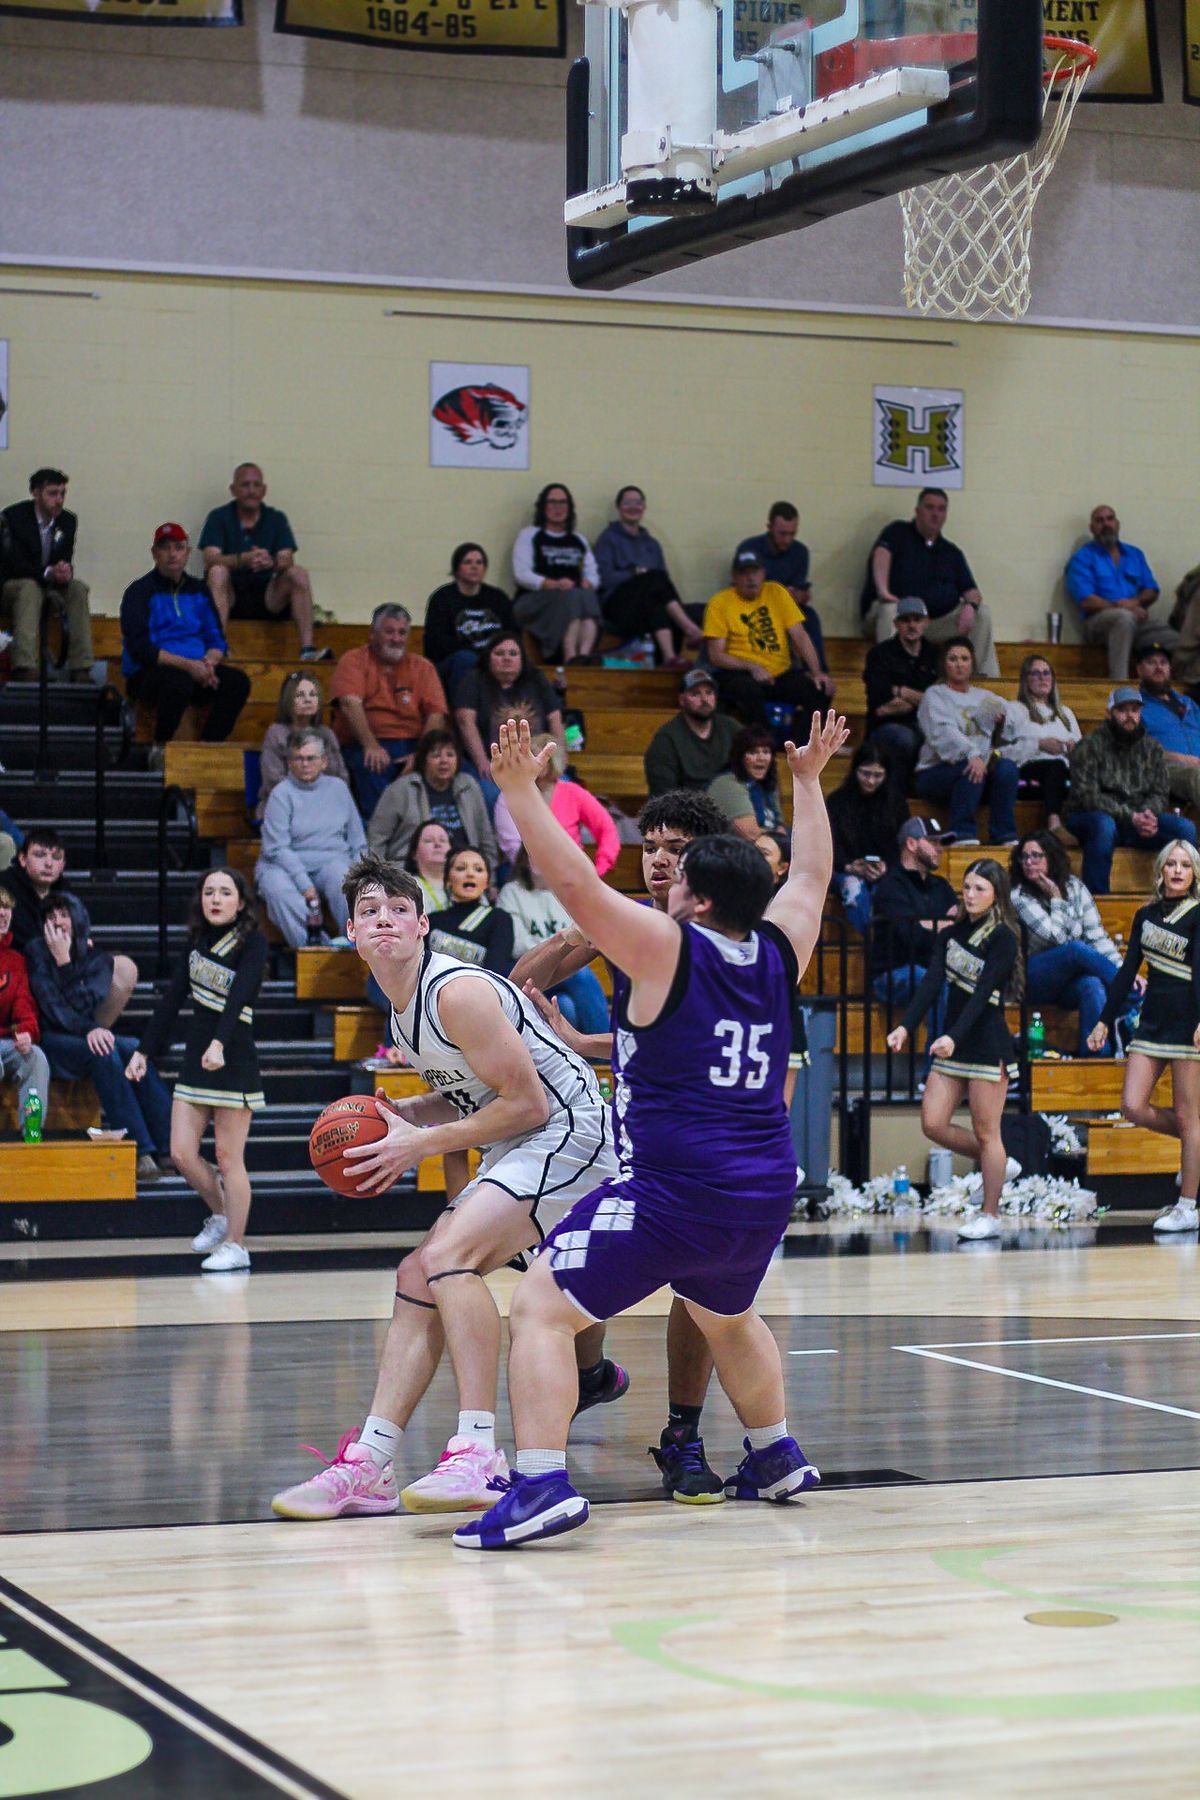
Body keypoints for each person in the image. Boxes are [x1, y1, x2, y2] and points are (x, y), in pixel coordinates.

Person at [452, 714, 844, 1550]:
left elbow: (575, 888)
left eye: (677, 872)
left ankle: (540, 1484)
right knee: (727, 1314)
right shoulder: (781, 950)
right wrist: (807, 783)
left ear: (699, 898)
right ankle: (774, 1454)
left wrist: (521, 791)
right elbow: (811, 872)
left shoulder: (671, 948)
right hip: (762, 1189)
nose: (661, 877)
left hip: (677, 1192)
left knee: (540, 1306)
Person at [270, 849, 619, 1521]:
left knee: (446, 1259)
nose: (385, 922)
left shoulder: (453, 992)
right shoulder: (401, 1015)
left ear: (424, 926)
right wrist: (410, 1116)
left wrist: (417, 1144)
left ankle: (478, 1454)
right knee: (415, 1272)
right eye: (369, 912)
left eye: (400, 910)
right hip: (521, 1139)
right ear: (351, 932)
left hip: (571, 1131)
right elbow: (476, 1097)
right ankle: (371, 1462)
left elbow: (528, 1104)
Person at [509, 786, 746, 1503]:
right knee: (567, 1261)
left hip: (708, 1137)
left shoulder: (729, 938)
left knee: (700, 1292)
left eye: (678, 849)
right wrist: (554, 967)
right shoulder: (629, 921)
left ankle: (684, 1433)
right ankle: (589, 1374)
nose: (660, 862)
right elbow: (520, 983)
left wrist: (585, 1041)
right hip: (631, 1131)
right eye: (654, 848)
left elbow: (693, 1041)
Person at [126, 868, 267, 1272]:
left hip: (233, 1055)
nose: (216, 899)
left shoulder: (253, 943)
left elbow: (239, 997)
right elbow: (171, 1001)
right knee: (182, 1154)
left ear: (241, 902)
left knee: (228, 1157)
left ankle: (237, 1246)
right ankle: (221, 1215)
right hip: (196, 1060)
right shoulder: (196, 943)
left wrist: (220, 1043)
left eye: (225, 892)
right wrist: (143, 1052)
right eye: (209, 892)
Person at [886, 860, 1022, 1242]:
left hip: (985, 1043)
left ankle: (989, 1215)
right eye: (967, 887)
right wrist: (904, 1026)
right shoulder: (950, 936)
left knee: (986, 1132)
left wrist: (953, 1037)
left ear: (997, 893)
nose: (971, 895)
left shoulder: (1004, 938)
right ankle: (1001, 1163)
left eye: (980, 888)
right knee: (932, 1122)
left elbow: (982, 996)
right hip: (954, 1041)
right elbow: (930, 983)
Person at [1089, 839, 1200, 1235]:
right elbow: (1127, 971)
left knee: (1189, 1116)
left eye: (1185, 865)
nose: (1176, 871)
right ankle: (1195, 1149)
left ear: (1194, 873)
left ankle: (1188, 1205)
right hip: (1152, 1021)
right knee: (1132, 1106)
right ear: (1161, 871)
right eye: (1171, 864)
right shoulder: (1145, 914)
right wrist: (1104, 1019)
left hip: (1189, 1022)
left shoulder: (1198, 914)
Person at [26, 899, 172, 1182]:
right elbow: (53, 1009)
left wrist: (66, 964)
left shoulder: (99, 961)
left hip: (81, 1034)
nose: (56, 922)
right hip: (48, 1039)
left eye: (64, 915)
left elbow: (83, 1006)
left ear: (78, 920)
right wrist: (62, 963)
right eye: (51, 916)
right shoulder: (35, 952)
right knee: (102, 1052)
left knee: (133, 1049)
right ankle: (140, 1151)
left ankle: (169, 1148)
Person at [119, 523, 251, 766]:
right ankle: (160, 747)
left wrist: (208, 663)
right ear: (154, 553)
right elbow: (140, 648)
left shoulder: (199, 590)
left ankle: (209, 747)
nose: (172, 554)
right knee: (177, 681)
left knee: (237, 682)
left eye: (178, 548)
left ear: (187, 553)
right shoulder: (139, 592)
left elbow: (216, 638)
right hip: (149, 673)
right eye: (165, 548)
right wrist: (189, 666)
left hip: (197, 669)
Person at [1065, 687, 1198, 895]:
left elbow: (1160, 792)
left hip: (1138, 821)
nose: (1130, 716)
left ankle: (1187, 897)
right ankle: (1097, 899)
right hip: (1090, 817)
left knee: (1185, 829)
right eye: (1122, 710)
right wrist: (1131, 816)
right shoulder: (1089, 745)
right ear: (1109, 714)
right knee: (1103, 826)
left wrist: (1148, 815)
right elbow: (1087, 796)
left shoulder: (1152, 748)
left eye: (1135, 710)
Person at [1009, 833, 1128, 1057]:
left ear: (1052, 858)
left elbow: (1097, 936)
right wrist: (1056, 898)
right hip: (1030, 979)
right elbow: (1057, 938)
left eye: (1036, 856)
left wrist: (1122, 969)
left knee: (1092, 985)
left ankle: (1095, 1060)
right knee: (1075, 950)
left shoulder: (1074, 887)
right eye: (1023, 857)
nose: (1029, 862)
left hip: (1066, 983)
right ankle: (1130, 997)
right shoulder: (1018, 896)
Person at [862, 488, 999, 677]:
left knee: (983, 614)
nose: (935, 514)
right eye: (930, 508)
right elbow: (881, 555)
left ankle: (984, 681)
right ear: (917, 511)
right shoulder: (897, 532)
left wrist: (971, 606)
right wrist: (884, 591)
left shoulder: (952, 552)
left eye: (941, 509)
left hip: (935, 623)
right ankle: (890, 676)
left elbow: (972, 591)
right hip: (898, 617)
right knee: (889, 609)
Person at [330, 604, 448, 821]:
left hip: (415, 745)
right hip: (367, 744)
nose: (396, 638)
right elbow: (349, 704)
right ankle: (381, 843)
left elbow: (436, 714)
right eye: (389, 631)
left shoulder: (422, 667)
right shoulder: (354, 660)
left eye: (402, 632)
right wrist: (370, 745)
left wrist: (422, 755)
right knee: (371, 766)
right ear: (372, 634)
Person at [6, 830, 137, 1027]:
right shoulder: (6, 886)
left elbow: (80, 936)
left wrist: (74, 949)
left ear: (63, 864)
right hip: (23, 975)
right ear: (23, 859)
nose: (49, 863)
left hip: (62, 967)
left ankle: (93, 1035)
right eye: (40, 855)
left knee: (124, 969)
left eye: (56, 857)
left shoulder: (66, 892)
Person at [198, 462, 327, 662]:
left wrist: (271, 563)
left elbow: (286, 558)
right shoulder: (219, 517)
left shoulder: (276, 518)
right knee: (216, 572)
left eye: (256, 485)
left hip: (269, 596)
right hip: (230, 595)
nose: (251, 490)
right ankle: (218, 646)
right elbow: (210, 559)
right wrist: (243, 559)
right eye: (245, 485)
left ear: (264, 490)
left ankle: (307, 649)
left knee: (298, 573)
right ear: (233, 490)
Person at [702, 549, 832, 740]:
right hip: (739, 672)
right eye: (744, 573)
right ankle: (764, 743)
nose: (750, 578)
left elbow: (800, 635)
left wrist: (817, 672)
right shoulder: (719, 603)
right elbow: (716, 655)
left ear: (763, 573)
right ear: (734, 577)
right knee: (748, 690)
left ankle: (798, 748)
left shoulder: (776, 592)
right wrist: (752, 666)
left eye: (754, 572)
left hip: (780, 673)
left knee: (820, 690)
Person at [255, 730, 367, 948]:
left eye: (311, 758)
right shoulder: (281, 793)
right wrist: (304, 884)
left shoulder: (339, 789)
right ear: (289, 762)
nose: (305, 764)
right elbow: (276, 849)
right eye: (298, 758)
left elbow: (357, 840)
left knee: (348, 882)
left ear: (324, 762)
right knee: (277, 890)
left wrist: (365, 875)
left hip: (332, 859)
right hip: (283, 865)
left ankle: (359, 946)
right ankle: (320, 951)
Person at [915, 638, 1019, 846]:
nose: (959, 664)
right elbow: (942, 734)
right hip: (937, 771)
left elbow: (1013, 726)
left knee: (1007, 769)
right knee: (970, 768)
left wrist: (1003, 721)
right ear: (944, 664)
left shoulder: (986, 696)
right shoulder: (934, 695)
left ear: (972, 664)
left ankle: (1004, 834)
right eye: (953, 659)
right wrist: (973, 754)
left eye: (964, 659)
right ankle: (962, 832)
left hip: (979, 768)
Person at [497, 849, 610, 1034]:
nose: (540, 858)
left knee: (566, 1007)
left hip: (563, 974)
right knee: (581, 975)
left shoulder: (569, 894)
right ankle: (608, 1051)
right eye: (533, 852)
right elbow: (516, 944)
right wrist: (555, 949)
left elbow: (580, 941)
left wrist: (561, 948)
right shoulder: (511, 892)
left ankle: (590, 1057)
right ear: (524, 859)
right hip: (527, 969)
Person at [0, 467, 94, 683]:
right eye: (52, 493)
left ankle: (81, 667)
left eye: (62, 494)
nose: (59, 500)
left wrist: (64, 570)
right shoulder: (13, 518)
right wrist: (47, 572)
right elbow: (12, 564)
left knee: (78, 588)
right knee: (29, 587)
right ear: (35, 493)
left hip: (47, 587)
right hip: (14, 587)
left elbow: (64, 555)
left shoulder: (67, 521)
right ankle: (25, 666)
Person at [594, 485, 702, 666]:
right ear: (619, 508)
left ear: (644, 507)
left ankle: (669, 658)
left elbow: (664, 583)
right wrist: (635, 573)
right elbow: (604, 579)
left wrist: (647, 578)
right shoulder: (608, 538)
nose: (633, 507)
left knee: (658, 600)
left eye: (637, 503)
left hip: (647, 604)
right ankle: (691, 629)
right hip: (618, 605)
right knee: (654, 579)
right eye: (627, 503)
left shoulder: (652, 544)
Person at [868, 817, 958, 1030]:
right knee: (936, 982)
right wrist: (943, 925)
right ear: (911, 844)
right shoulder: (891, 887)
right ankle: (936, 1062)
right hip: (893, 974)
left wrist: (929, 926)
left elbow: (958, 930)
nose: (940, 849)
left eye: (940, 843)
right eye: (933, 842)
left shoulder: (942, 886)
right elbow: (912, 939)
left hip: (930, 969)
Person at [367, 728, 498, 871]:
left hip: (465, 873)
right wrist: (380, 879)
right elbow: (377, 838)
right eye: (436, 755)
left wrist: (489, 879)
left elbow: (486, 838)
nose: (444, 761)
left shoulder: (469, 786)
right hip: (411, 876)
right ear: (423, 760)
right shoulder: (400, 790)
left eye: (450, 755)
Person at [454, 632, 564, 799]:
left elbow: (555, 719)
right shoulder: (474, 679)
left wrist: (558, 760)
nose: (507, 658)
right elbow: (464, 720)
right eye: (499, 653)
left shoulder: (537, 679)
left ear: (522, 659)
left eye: (513, 653)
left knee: (563, 789)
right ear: (488, 658)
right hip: (494, 765)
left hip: (537, 764)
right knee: (491, 794)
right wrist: (481, 761)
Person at [1065, 504, 1170, 679]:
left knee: (1174, 639)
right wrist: (1123, 607)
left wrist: (1135, 602)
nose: (1106, 524)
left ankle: (1180, 692)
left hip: (1137, 619)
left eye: (1110, 519)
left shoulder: (1135, 554)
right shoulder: (1082, 558)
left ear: (1117, 523)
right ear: (1092, 528)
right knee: (1124, 618)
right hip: (1098, 623)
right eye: (1099, 520)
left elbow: (1152, 590)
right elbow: (1086, 600)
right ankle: (1119, 686)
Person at [494, 735, 619, 878]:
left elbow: (606, 828)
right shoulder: (509, 795)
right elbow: (512, 845)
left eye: (540, 757)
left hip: (572, 878)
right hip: (525, 878)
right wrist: (544, 871)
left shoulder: (572, 792)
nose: (534, 762)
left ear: (553, 762)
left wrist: (599, 869)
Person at [511, 483, 602, 664]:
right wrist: (551, 583)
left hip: (573, 596)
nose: (557, 508)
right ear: (543, 507)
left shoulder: (578, 539)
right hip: (535, 599)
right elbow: (521, 573)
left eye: (562, 503)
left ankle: (583, 655)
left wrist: (589, 582)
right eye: (552, 502)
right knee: (573, 597)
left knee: (586, 595)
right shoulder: (530, 535)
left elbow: (593, 574)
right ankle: (568, 655)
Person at [826, 740, 910, 934]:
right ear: (855, 770)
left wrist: (885, 866)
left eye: (878, 775)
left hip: (884, 869)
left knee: (888, 889)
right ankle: (874, 943)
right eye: (865, 773)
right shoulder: (837, 801)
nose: (871, 781)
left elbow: (900, 845)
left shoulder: (896, 803)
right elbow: (829, 844)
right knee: (853, 887)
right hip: (842, 869)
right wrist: (849, 866)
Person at [736, 500, 826, 670]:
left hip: (784, 608)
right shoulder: (749, 548)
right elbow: (742, 587)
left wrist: (800, 595)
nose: (787, 539)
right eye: (782, 533)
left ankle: (817, 671)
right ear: (769, 527)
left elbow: (798, 588)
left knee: (810, 616)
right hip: (752, 607)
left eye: (792, 534)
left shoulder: (800, 552)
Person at [422, 544, 516, 702]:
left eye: (479, 563)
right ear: (456, 568)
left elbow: (513, 634)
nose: (474, 567)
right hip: (451, 666)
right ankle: (463, 714)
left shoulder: (498, 598)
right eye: (468, 562)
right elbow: (436, 643)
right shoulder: (442, 598)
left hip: (492, 661)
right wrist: (480, 656)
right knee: (466, 659)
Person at [1002, 654, 1081, 838]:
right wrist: (1039, 745)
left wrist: (1072, 749)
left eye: (1047, 673)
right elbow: (1002, 751)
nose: (1042, 678)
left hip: (1064, 770)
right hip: (1028, 768)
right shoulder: (1014, 709)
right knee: (1055, 766)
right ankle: (1053, 822)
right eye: (1035, 673)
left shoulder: (1065, 712)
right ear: (1025, 679)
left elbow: (1080, 749)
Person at [861, 595, 939, 781]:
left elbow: (939, 699)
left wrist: (899, 691)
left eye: (917, 620)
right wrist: (922, 700)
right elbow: (880, 707)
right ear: (896, 624)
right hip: (887, 726)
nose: (912, 625)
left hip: (928, 725)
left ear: (926, 623)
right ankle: (896, 799)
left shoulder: (935, 654)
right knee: (904, 739)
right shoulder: (880, 654)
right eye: (905, 620)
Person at [257, 673, 349, 817]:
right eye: (300, 695)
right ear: (288, 700)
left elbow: (341, 776)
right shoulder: (276, 733)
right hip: (286, 807)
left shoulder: (327, 734)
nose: (308, 699)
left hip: (326, 806)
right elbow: (273, 781)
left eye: (313, 694)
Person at [0, 884, 50, 1139]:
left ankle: (31, 1133)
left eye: (6, 908)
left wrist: (27, 1032)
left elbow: (24, 1006)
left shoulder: (16, 961)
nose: (3, 914)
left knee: (35, 1058)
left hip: (5, 1043)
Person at [643, 668, 739, 797]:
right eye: (695, 694)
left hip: (729, 804)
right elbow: (664, 796)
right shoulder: (666, 739)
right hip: (687, 810)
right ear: (682, 700)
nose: (705, 699)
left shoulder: (731, 728)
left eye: (709, 693)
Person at [1134, 641, 1200, 815]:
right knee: (1196, 776)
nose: (1159, 667)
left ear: (1170, 669)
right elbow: (1137, 750)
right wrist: (1182, 758)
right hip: (1164, 769)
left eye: (1163, 663)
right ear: (1139, 670)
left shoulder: (1188, 703)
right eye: (1151, 663)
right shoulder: (1135, 706)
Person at [427, 846, 514, 973]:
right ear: (448, 880)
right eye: (461, 868)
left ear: (487, 882)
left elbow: (495, 971)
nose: (470, 874)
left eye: (478, 869)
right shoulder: (431, 920)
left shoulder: (499, 919)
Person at [706, 726, 785, 842]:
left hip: (770, 843)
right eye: (753, 752)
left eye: (766, 752)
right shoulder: (725, 784)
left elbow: (780, 826)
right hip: (734, 850)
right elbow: (751, 835)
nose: (761, 758)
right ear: (740, 757)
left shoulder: (768, 782)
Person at [404, 820, 453, 914]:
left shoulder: (466, 883)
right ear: (414, 853)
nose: (437, 844)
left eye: (443, 840)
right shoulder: (406, 889)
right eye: (429, 841)